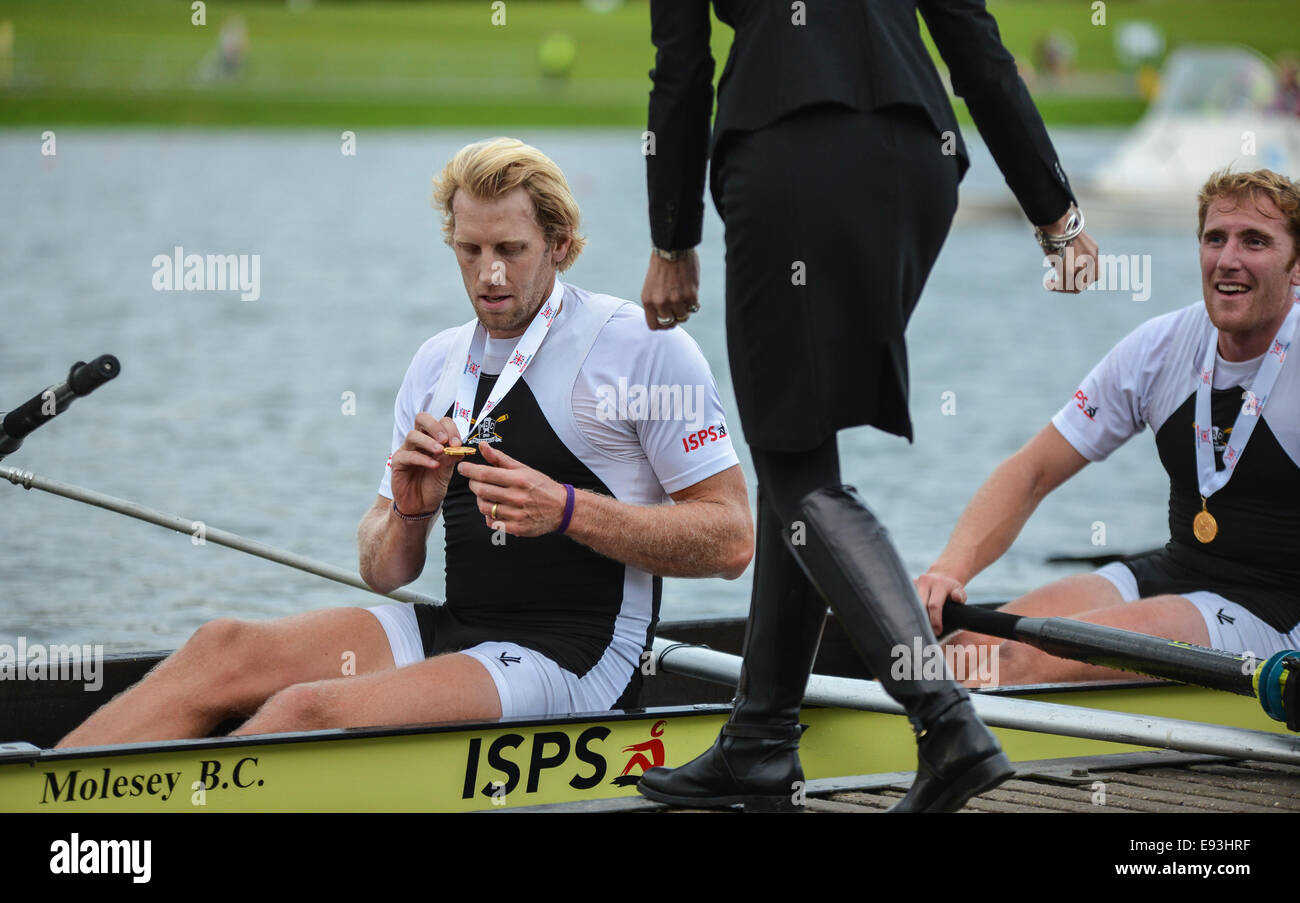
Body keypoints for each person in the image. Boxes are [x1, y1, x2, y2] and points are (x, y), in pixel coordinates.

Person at [57, 138, 752, 748]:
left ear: (561, 243)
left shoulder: (640, 348)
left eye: (511, 250)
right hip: (458, 629)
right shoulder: (437, 362)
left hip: (578, 655)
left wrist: (569, 510)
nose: (490, 276)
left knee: (307, 710)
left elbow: (730, 540)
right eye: (470, 250)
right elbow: (384, 571)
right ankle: (43, 794)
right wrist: (410, 513)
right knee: (220, 648)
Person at [636, 1, 1099, 813]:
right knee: (799, 447)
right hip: (918, 157)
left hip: (789, 150)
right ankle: (760, 741)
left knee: (793, 460)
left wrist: (673, 239)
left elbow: (681, 65)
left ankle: (946, 719)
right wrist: (1054, 212)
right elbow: (971, 40)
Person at [917, 169, 1300, 685]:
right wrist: (949, 571)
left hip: (1276, 611)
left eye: (1255, 242)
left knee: (1013, 662)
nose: (1228, 259)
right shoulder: (1161, 347)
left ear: (1296, 266)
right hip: (1177, 571)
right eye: (1216, 239)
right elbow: (1032, 471)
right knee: (966, 651)